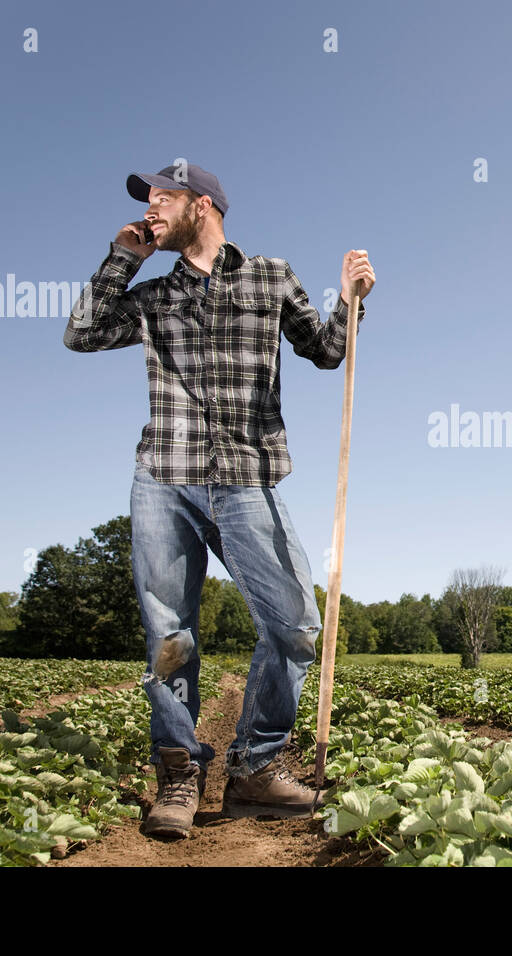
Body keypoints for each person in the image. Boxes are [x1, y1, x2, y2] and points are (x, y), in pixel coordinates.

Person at [63, 162, 374, 839]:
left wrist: (351, 300)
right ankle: (178, 774)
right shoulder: (150, 295)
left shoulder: (271, 276)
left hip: (246, 476)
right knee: (171, 637)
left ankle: (254, 767)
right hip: (163, 479)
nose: (150, 211)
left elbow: (324, 352)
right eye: (146, 203)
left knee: (295, 627)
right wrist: (122, 257)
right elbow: (81, 333)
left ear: (202, 205)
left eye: (161, 199)